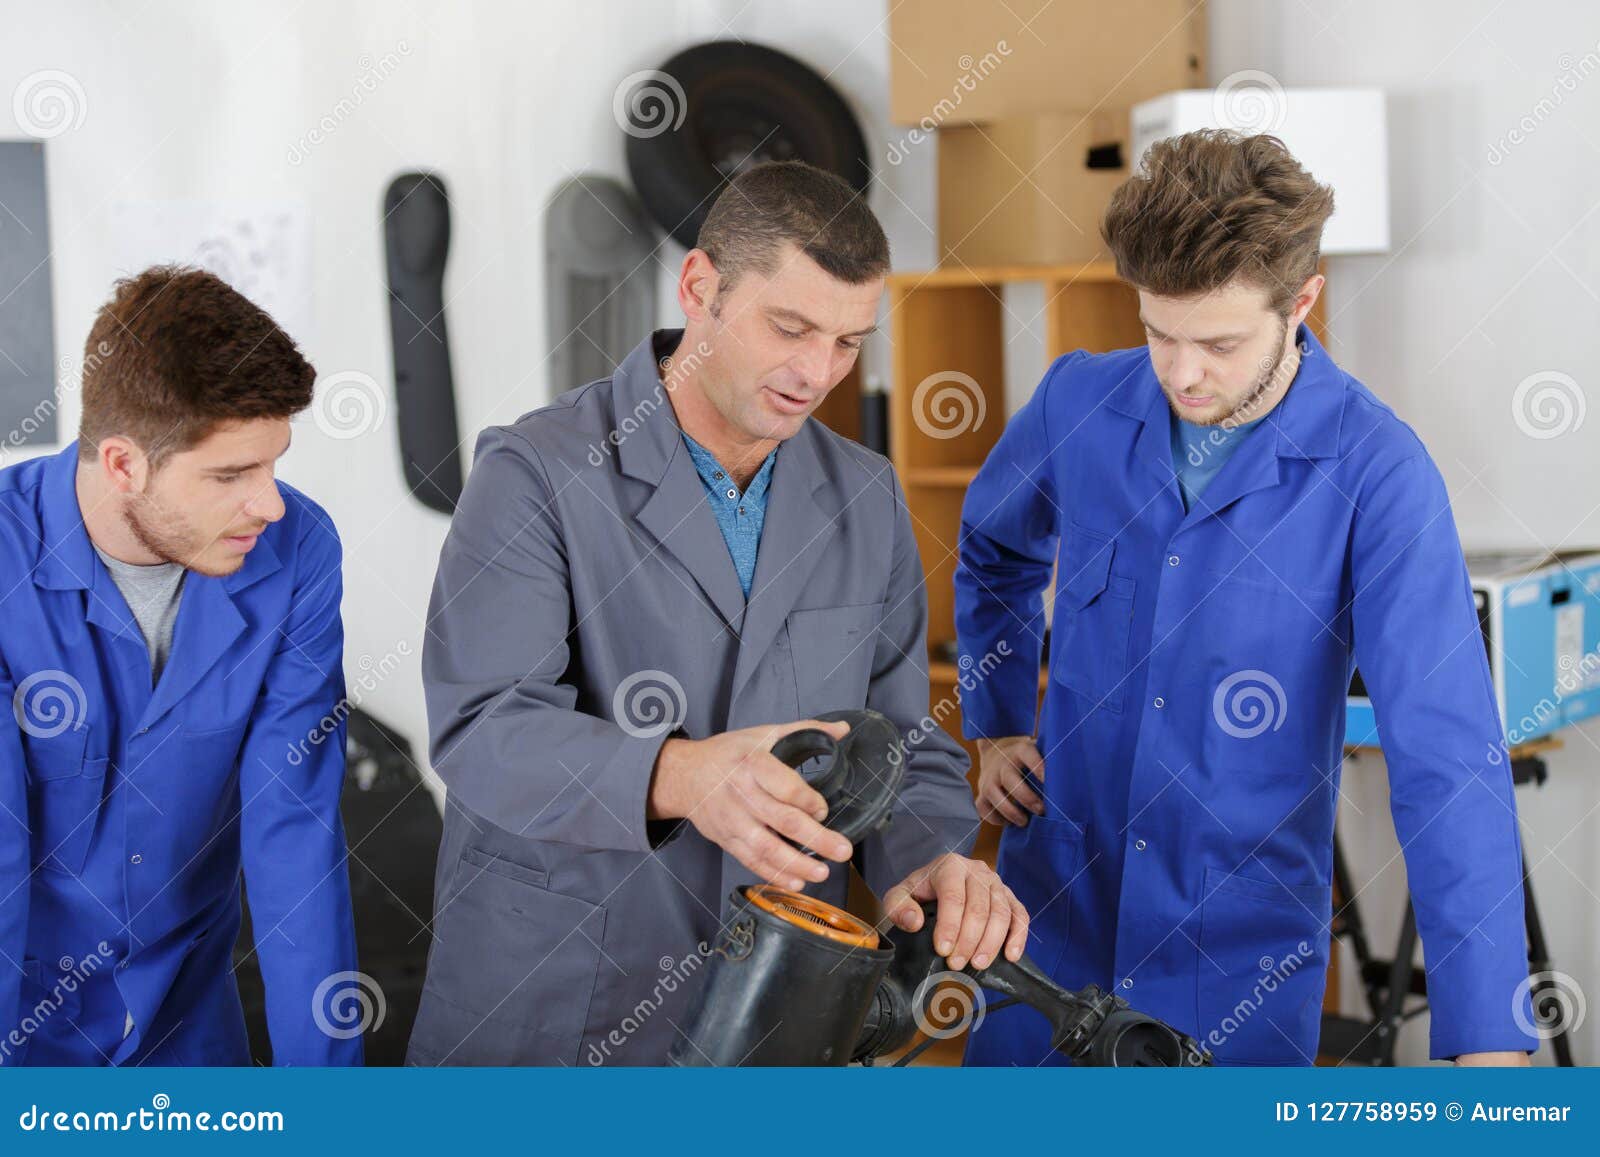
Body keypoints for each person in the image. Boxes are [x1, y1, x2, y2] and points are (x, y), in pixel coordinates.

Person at [408, 161, 1025, 1066]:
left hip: (770, 1004)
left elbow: (900, 740)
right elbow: (483, 727)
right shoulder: (537, 472)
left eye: (850, 342)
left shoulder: (865, 494)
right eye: (790, 327)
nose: (817, 371)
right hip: (552, 999)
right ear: (700, 287)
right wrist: (684, 774)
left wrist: (926, 857)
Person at [955, 130, 1535, 1066]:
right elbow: (992, 547)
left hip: (1230, 964)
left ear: (1302, 302)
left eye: (1219, 343)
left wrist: (1488, 1047)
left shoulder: (1377, 472)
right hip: (1050, 925)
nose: (1182, 374)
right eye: (1158, 333)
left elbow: (1447, 759)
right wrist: (994, 720)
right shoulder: (1079, 403)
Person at [0, 267, 361, 1066]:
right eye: (231, 476)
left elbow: (293, 831)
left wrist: (331, 1106)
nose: (269, 504)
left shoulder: (298, 549)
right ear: (124, 465)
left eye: (273, 465)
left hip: (187, 1018)